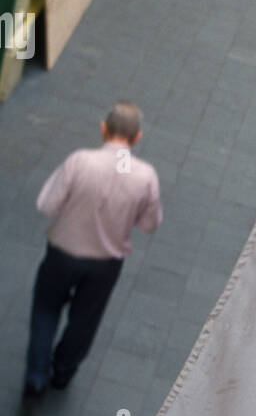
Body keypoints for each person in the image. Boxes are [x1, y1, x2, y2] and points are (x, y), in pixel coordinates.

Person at [23, 102, 162, 399]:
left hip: (61, 253)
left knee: (46, 310)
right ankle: (63, 371)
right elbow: (150, 224)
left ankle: (36, 376)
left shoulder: (80, 161)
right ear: (137, 137)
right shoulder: (146, 176)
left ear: (103, 128)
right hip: (105, 263)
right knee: (84, 320)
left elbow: (47, 205)